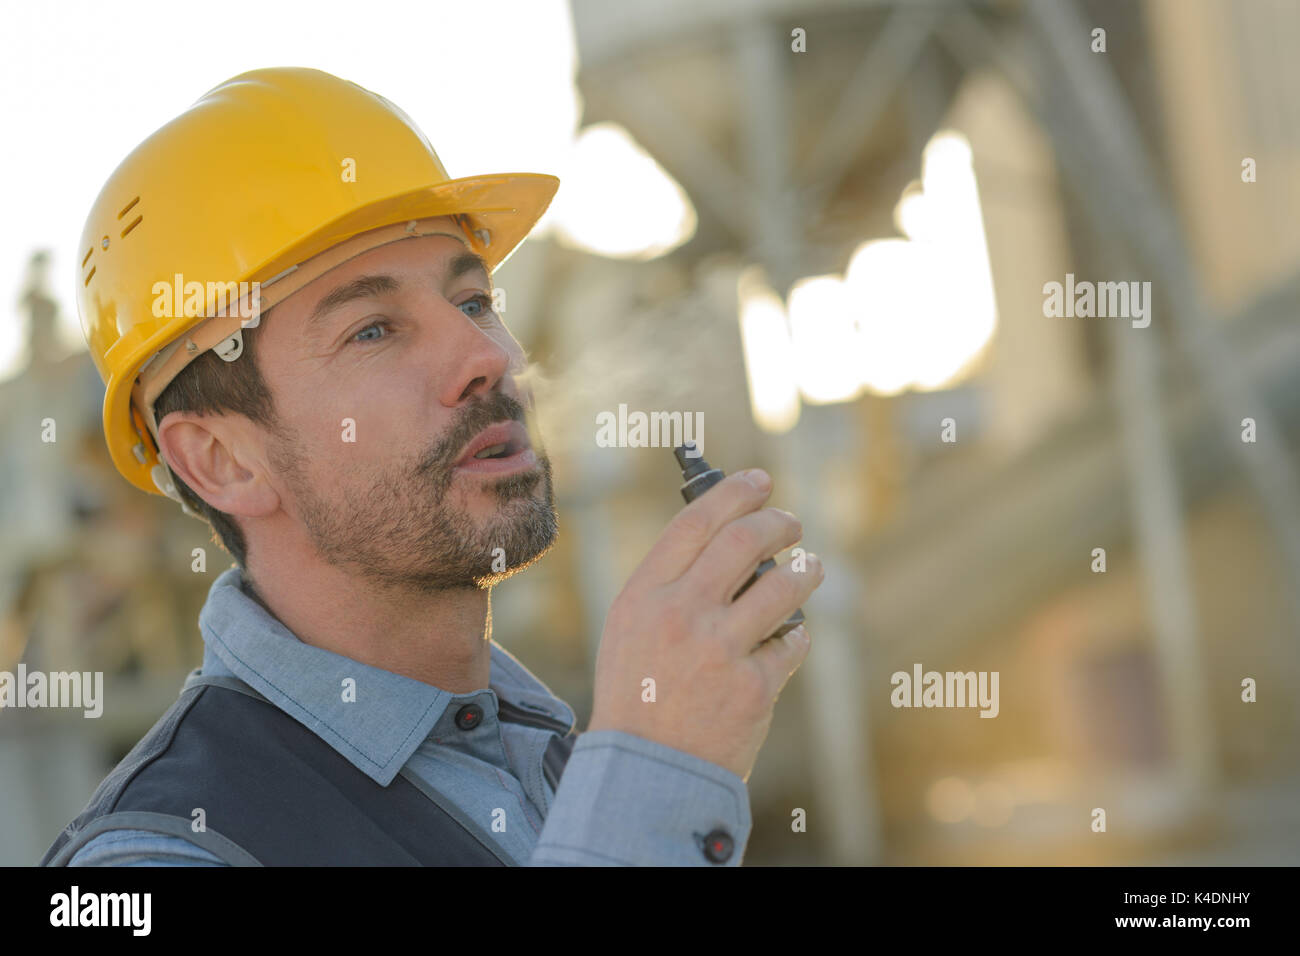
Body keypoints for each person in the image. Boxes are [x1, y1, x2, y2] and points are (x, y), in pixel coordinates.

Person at [40, 67, 822, 867]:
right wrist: (654, 781)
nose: (489, 356)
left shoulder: (550, 761)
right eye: (374, 330)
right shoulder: (158, 855)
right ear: (221, 460)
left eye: (475, 302)